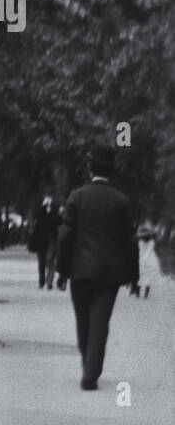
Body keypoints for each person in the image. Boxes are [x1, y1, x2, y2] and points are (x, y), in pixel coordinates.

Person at [55, 146, 139, 391]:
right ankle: (91, 374)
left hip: (79, 271)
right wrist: (133, 277)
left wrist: (61, 271)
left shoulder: (76, 197)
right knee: (100, 322)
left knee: (83, 321)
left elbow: (65, 236)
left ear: (90, 168)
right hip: (109, 274)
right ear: (111, 170)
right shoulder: (121, 201)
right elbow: (130, 242)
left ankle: (87, 364)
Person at [28, 194, 60, 289]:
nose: (48, 200)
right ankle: (41, 281)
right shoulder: (40, 208)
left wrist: (53, 210)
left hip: (52, 238)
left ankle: (49, 281)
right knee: (41, 261)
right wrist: (43, 206)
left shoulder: (56, 208)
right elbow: (35, 215)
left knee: (50, 259)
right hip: (40, 239)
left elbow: (58, 221)